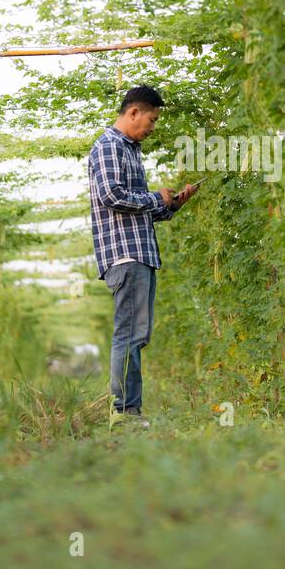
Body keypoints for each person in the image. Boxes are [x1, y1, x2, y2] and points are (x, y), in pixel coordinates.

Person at [87, 85, 198, 427]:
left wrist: (173, 203)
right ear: (133, 112)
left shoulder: (131, 150)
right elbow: (110, 196)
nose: (153, 127)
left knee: (137, 334)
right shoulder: (108, 145)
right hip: (126, 255)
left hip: (140, 252)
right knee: (129, 333)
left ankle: (128, 411)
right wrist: (155, 197)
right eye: (151, 119)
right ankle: (123, 412)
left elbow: (141, 210)